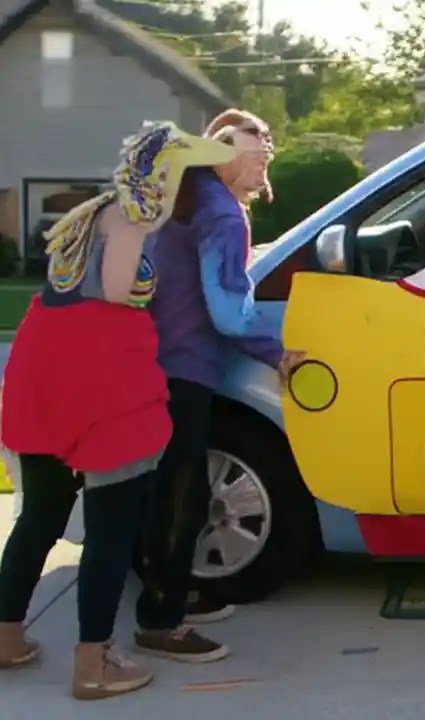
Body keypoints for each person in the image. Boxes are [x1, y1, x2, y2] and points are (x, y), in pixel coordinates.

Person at [0, 121, 238, 699]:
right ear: (162, 178)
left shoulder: (93, 211)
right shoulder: (131, 219)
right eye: (187, 174)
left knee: (42, 513)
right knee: (111, 523)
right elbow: (113, 294)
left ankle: (7, 636)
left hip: (42, 369)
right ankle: (94, 662)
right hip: (101, 379)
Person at [133, 109, 303, 664]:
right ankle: (161, 622)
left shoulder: (191, 198)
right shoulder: (222, 215)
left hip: (157, 359)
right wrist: (278, 351)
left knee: (178, 486)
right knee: (181, 494)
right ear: (225, 155)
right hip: (186, 365)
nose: (264, 166)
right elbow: (230, 312)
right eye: (258, 156)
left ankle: (176, 592)